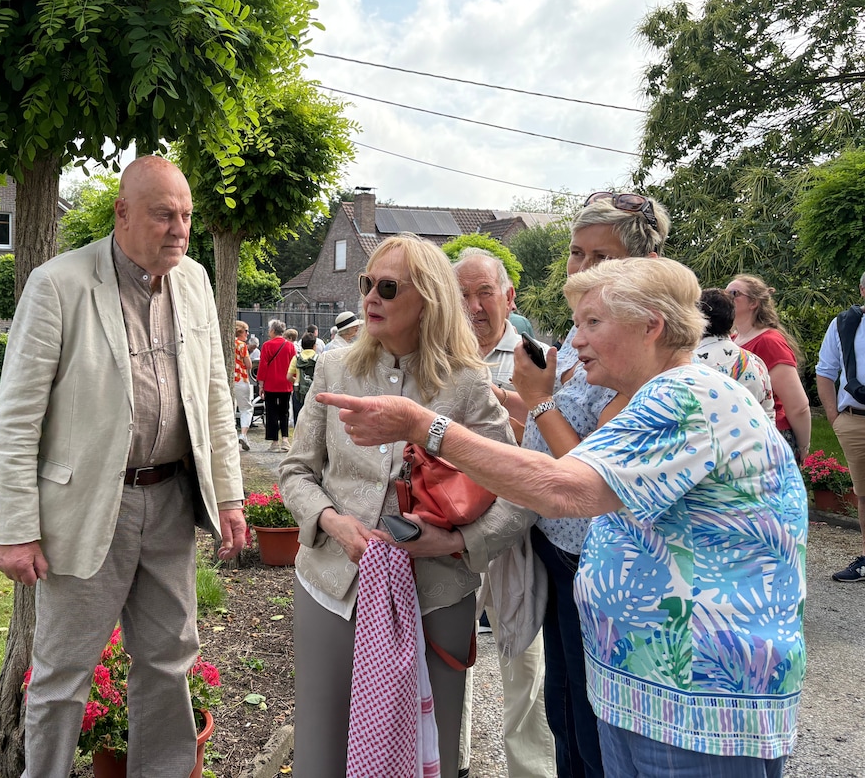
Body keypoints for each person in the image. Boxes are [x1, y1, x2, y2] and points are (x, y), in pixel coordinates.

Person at [323, 256, 808, 778]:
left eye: (592, 323)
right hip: (656, 695)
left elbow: (563, 488)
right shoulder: (652, 397)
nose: (574, 341)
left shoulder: (686, 395)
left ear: (652, 326)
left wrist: (426, 427)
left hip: (695, 704)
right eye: (577, 323)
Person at [0, 155, 248, 778]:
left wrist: (232, 497)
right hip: (86, 507)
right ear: (123, 214)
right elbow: (16, 418)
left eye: (186, 215)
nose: (179, 229)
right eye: (164, 215)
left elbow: (214, 395)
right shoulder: (59, 284)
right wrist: (16, 527)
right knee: (61, 671)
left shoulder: (195, 282)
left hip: (170, 504)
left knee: (169, 659)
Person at [278, 233, 529, 777]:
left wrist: (461, 542)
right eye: (366, 283)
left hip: (435, 592)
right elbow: (296, 471)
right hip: (332, 584)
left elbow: (519, 488)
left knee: (423, 752)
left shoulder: (465, 383)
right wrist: (330, 521)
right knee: (321, 753)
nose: (370, 297)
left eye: (388, 288)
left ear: (430, 299)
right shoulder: (335, 367)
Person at [509, 190, 670, 778]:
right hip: (561, 547)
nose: (580, 268)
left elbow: (592, 476)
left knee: (594, 716)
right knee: (565, 712)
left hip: (595, 553)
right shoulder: (591, 335)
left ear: (641, 266)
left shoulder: (643, 349)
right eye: (576, 253)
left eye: (597, 257)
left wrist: (536, 398)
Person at [452, 249, 554, 778]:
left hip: (520, 536)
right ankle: (455, 762)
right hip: (455, 531)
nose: (473, 306)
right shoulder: (440, 358)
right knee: (449, 654)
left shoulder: (537, 360)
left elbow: (552, 449)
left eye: (484, 292)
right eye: (463, 295)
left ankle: (531, 772)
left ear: (509, 297)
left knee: (525, 664)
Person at [726, 274, 811, 463]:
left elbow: (798, 405)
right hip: (740, 438)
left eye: (733, 293)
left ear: (753, 303)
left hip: (771, 436)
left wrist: (803, 447)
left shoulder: (769, 342)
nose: (727, 297)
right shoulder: (732, 340)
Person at [815, 270, 865, 582]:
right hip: (855, 421)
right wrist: (835, 419)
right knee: (863, 494)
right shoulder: (845, 325)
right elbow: (825, 371)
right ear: (862, 290)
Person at [695, 288, 774, 420]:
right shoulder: (756, 363)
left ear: (696, 319)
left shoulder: (687, 364)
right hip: (754, 438)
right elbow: (768, 415)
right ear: (731, 318)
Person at [257, 320, 294, 452]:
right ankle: (285, 439)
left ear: (273, 331)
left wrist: (261, 384)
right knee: (284, 411)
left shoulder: (267, 345)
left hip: (271, 383)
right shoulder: (290, 346)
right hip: (286, 383)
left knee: (271, 412)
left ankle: (274, 441)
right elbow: (293, 364)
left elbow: (263, 366)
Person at [287, 333, 319, 424]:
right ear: (314, 346)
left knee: (298, 420)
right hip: (314, 392)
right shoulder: (318, 358)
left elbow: (288, 376)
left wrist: (296, 381)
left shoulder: (296, 358)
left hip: (298, 392)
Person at [233, 320, 254, 451]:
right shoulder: (241, 345)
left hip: (228, 378)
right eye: (246, 331)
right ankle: (243, 434)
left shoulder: (225, 342)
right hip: (241, 378)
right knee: (246, 408)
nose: (247, 334)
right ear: (241, 331)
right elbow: (249, 365)